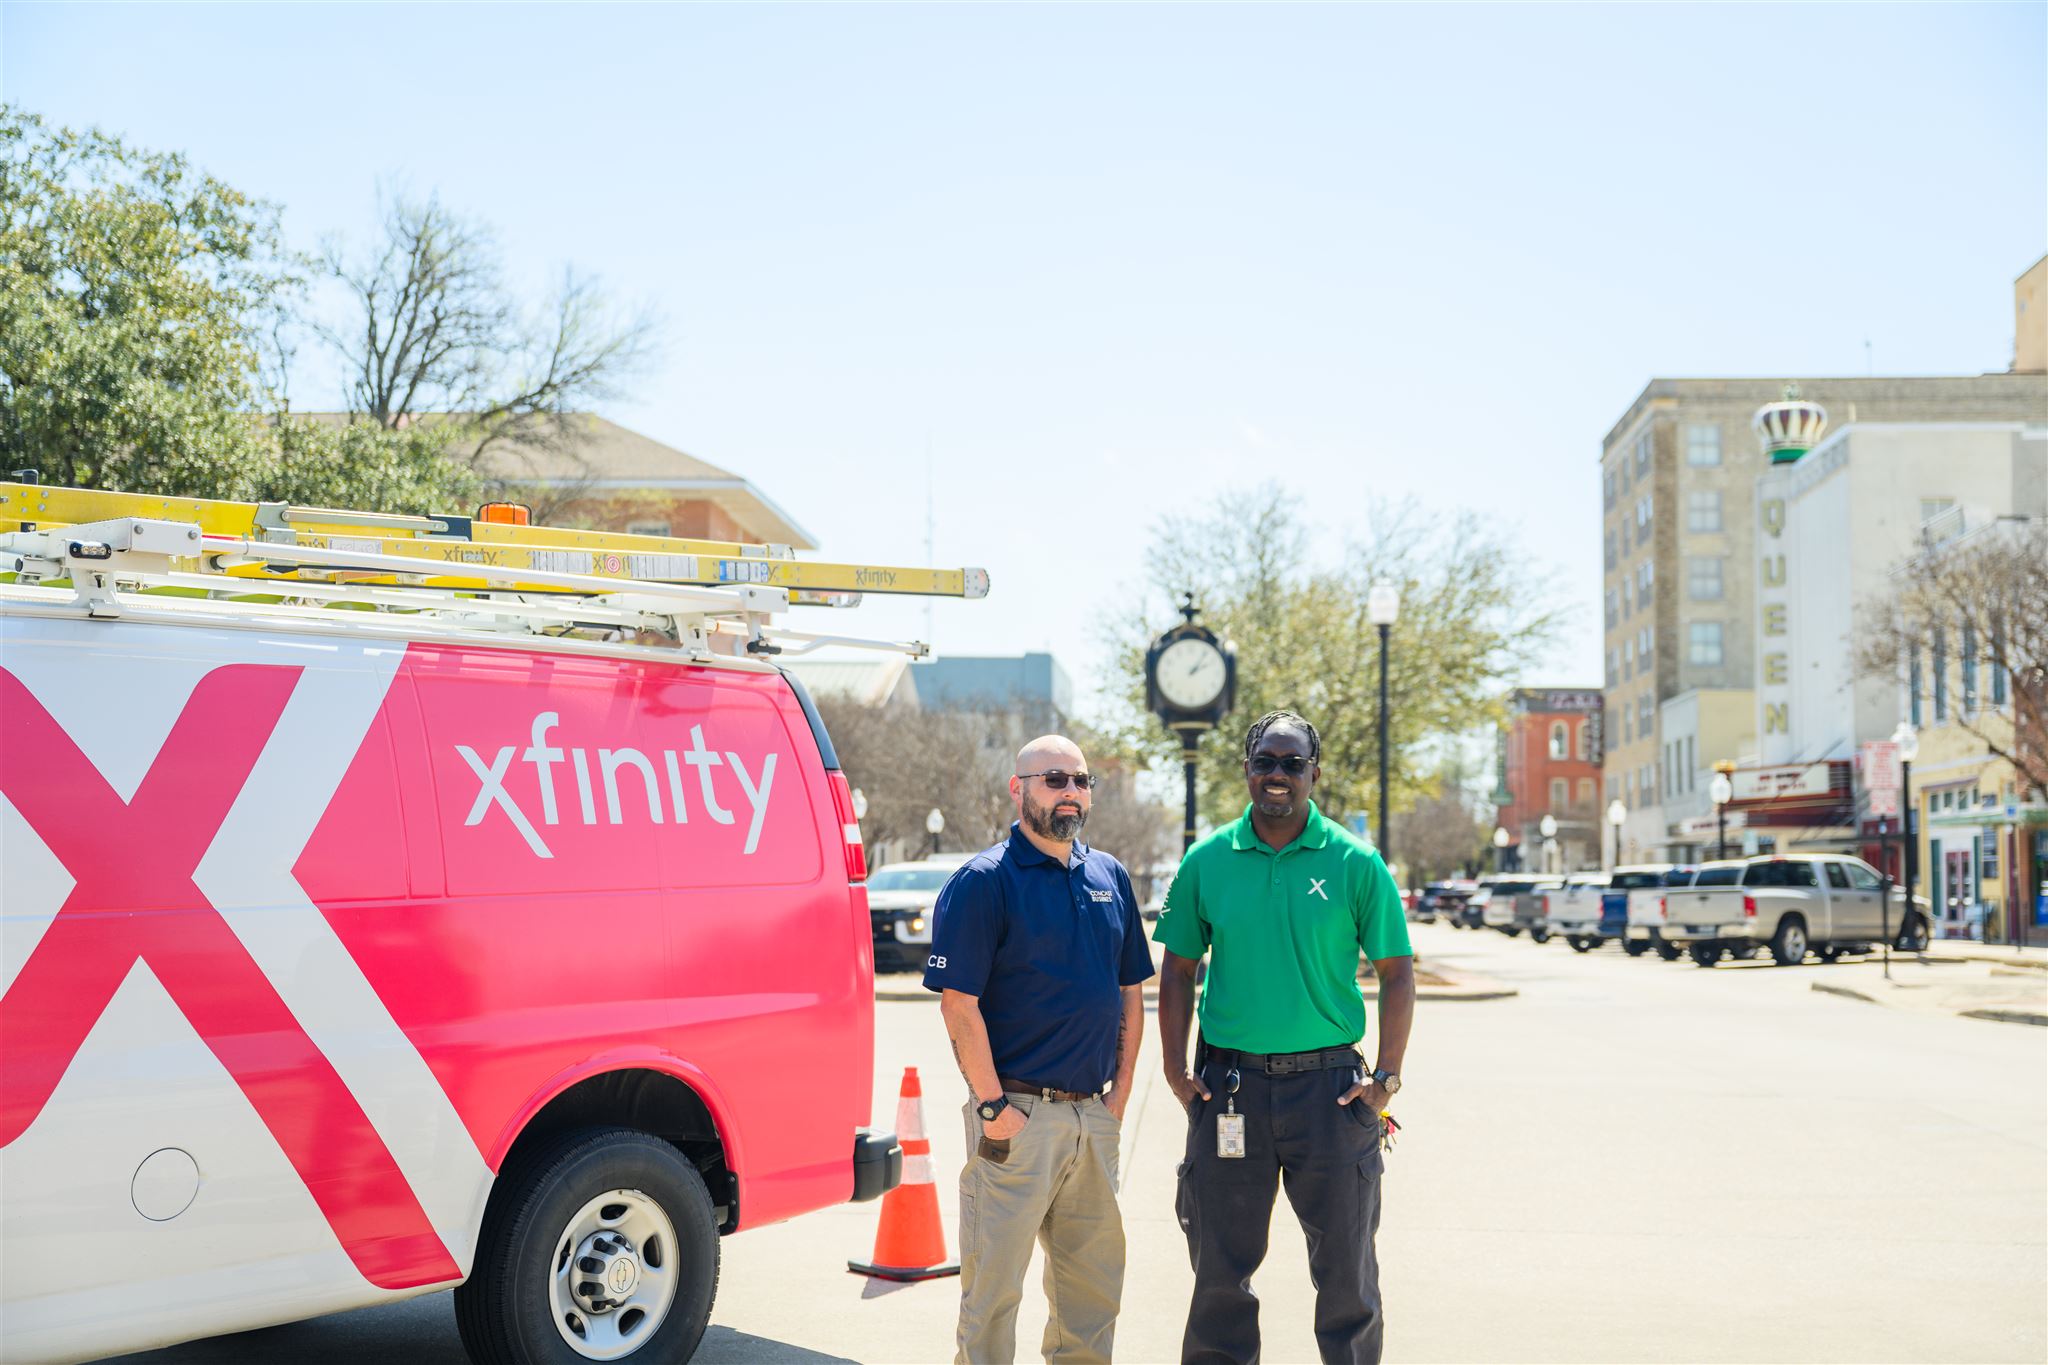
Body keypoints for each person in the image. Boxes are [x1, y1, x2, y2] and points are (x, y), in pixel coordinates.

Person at [1154, 710, 1416, 1365]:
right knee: (1220, 1270)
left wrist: (1385, 1078)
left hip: (1332, 1096)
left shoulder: (1355, 862)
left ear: (1313, 773)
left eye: (1291, 762)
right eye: (1264, 760)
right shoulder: (1207, 860)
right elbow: (1178, 970)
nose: (1277, 774)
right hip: (1230, 1092)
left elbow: (1397, 969)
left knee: (1348, 1277)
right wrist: (1174, 1068)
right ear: (1246, 769)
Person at [924, 735, 1156, 1365]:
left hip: (1093, 1119)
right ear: (1017, 788)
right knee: (994, 1294)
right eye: (1055, 780)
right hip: (1017, 1120)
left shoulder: (1109, 875)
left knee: (1092, 1294)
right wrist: (995, 1106)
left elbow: (1130, 990)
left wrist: (1122, 1093)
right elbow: (957, 1003)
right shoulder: (983, 882)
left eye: (1082, 781)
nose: (1071, 793)